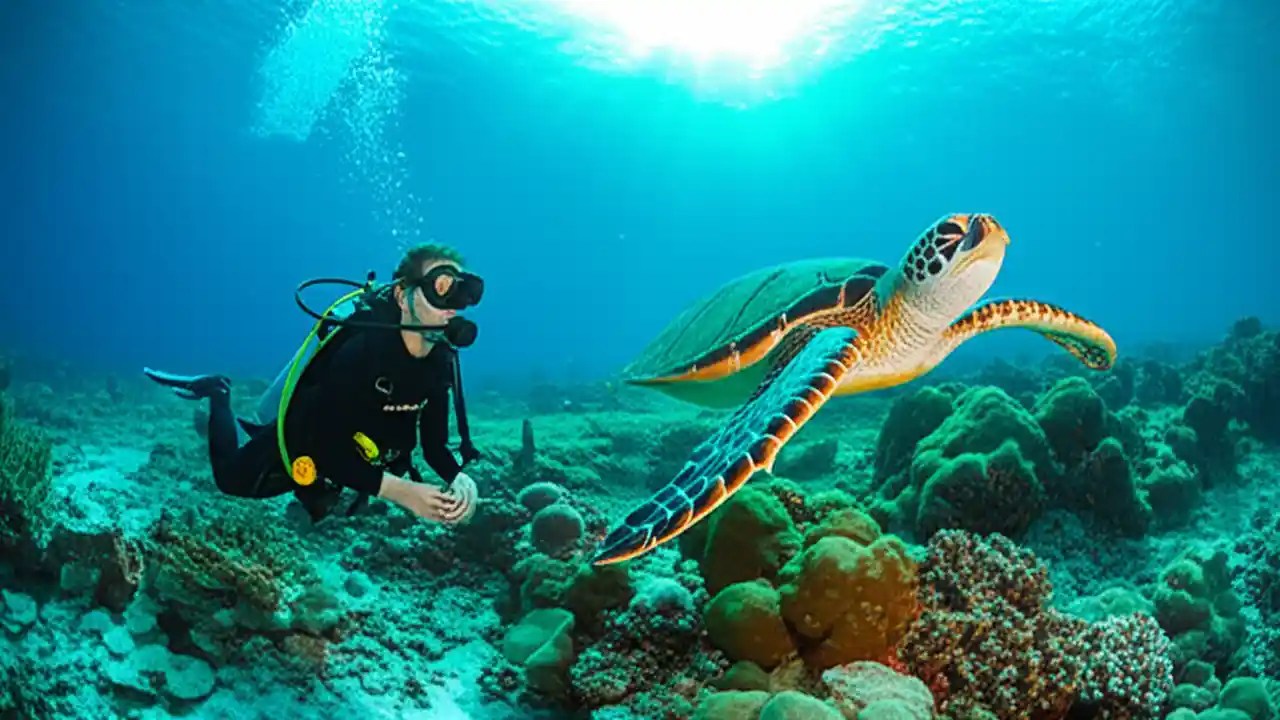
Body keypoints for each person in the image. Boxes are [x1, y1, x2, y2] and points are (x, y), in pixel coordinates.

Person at [144, 243, 485, 525]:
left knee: (322, 500)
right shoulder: (361, 351)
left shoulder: (441, 361)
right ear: (402, 295)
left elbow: (434, 445)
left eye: (462, 294)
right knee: (232, 480)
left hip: (357, 455)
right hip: (309, 436)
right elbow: (323, 444)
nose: (452, 308)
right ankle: (218, 392)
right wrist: (403, 492)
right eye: (442, 288)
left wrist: (457, 477)